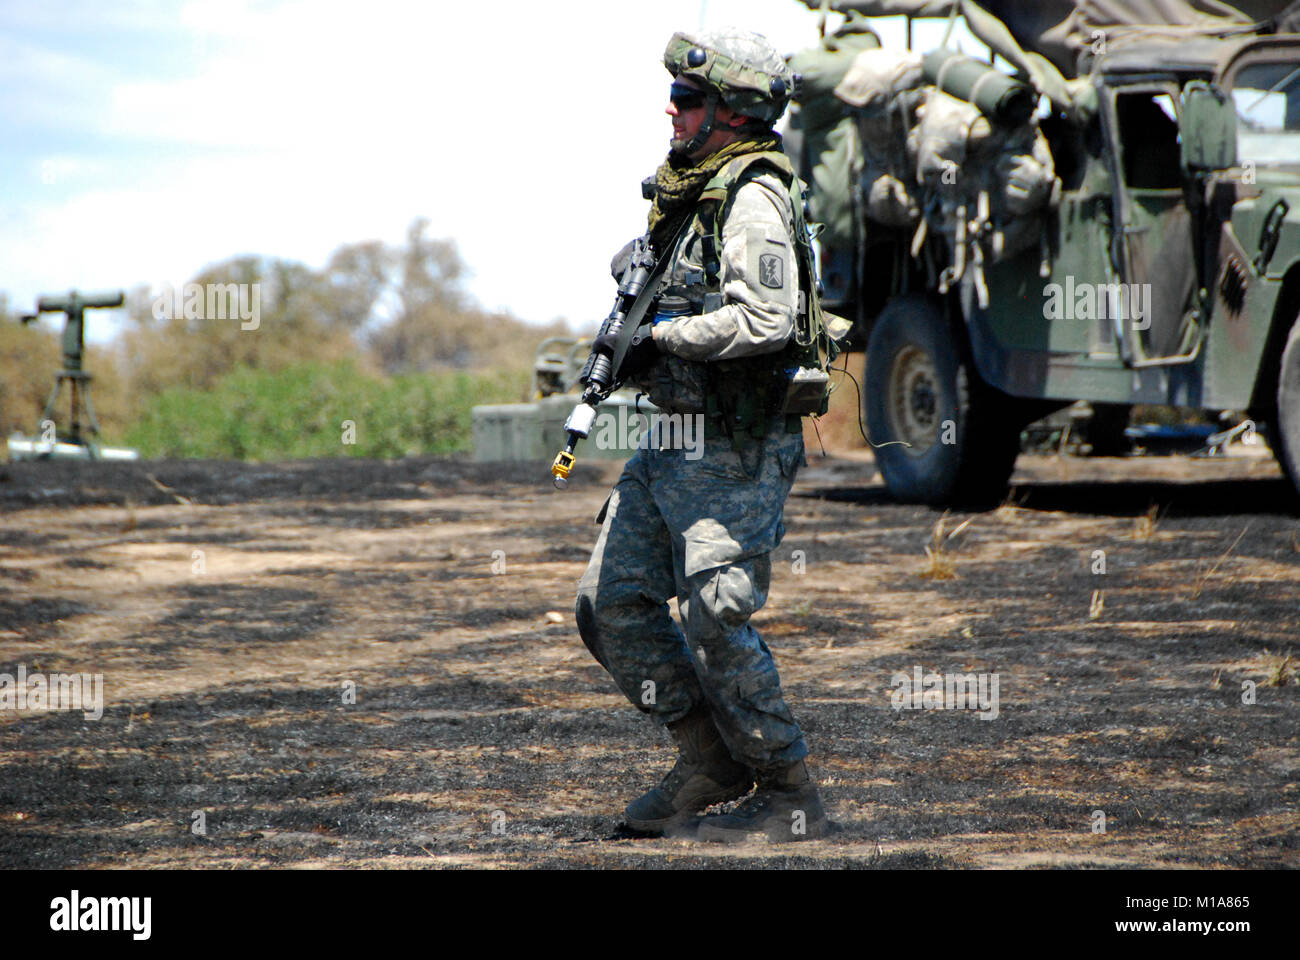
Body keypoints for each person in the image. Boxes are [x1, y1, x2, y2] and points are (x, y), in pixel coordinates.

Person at [574, 28, 829, 843]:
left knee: (716, 617)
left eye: (687, 101)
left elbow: (766, 318)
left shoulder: (752, 196)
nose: (672, 111)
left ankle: (789, 789)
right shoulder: (688, 189)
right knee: (607, 606)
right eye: (675, 98)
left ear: (730, 113)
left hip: (737, 444)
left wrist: (664, 343)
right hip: (672, 437)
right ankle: (709, 760)